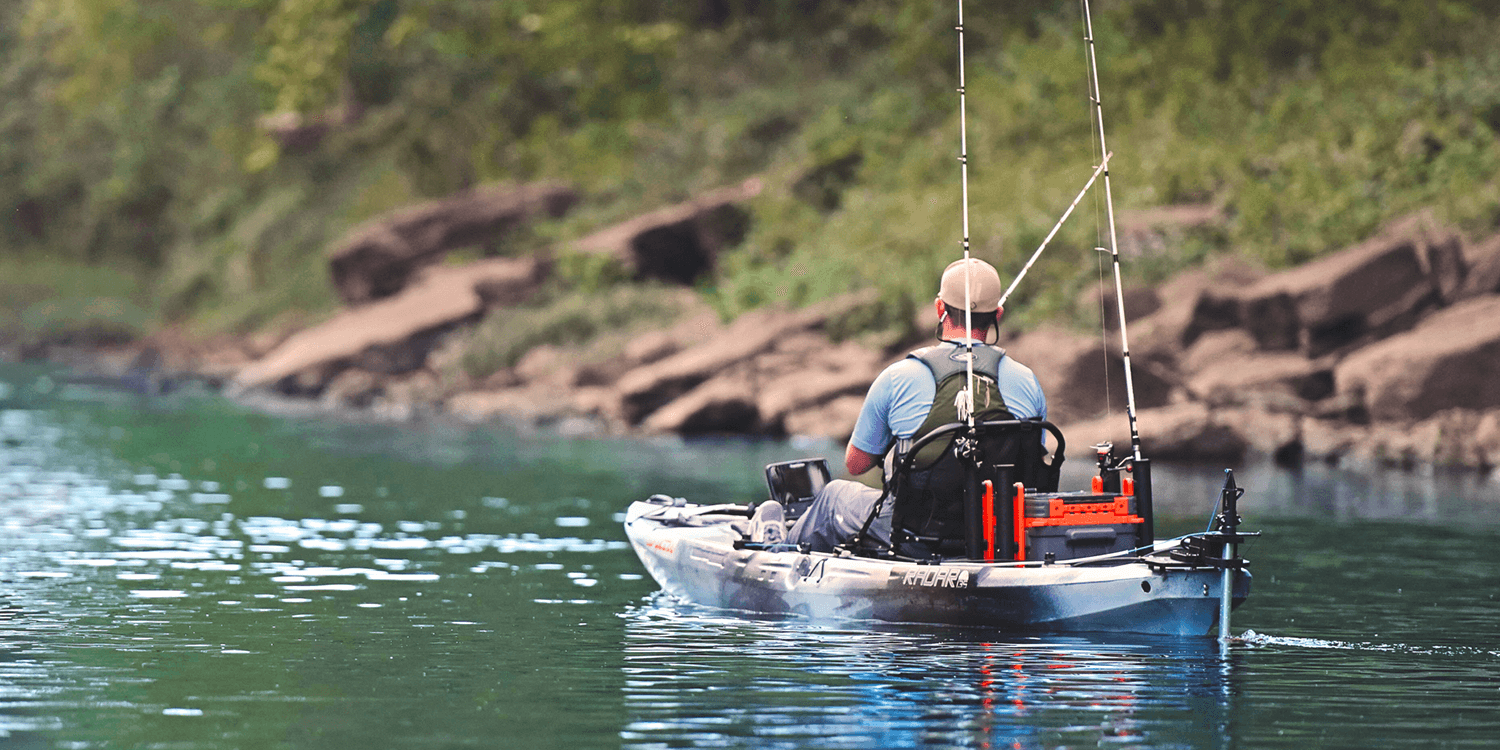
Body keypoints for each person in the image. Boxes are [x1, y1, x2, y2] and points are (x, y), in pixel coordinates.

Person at [749, 258, 1047, 552]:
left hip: (913, 534)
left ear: (939, 308)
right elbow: (1034, 467)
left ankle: (775, 549)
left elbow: (857, 464)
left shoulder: (897, 377)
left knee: (833, 496)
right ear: (998, 313)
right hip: (998, 536)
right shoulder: (1027, 382)